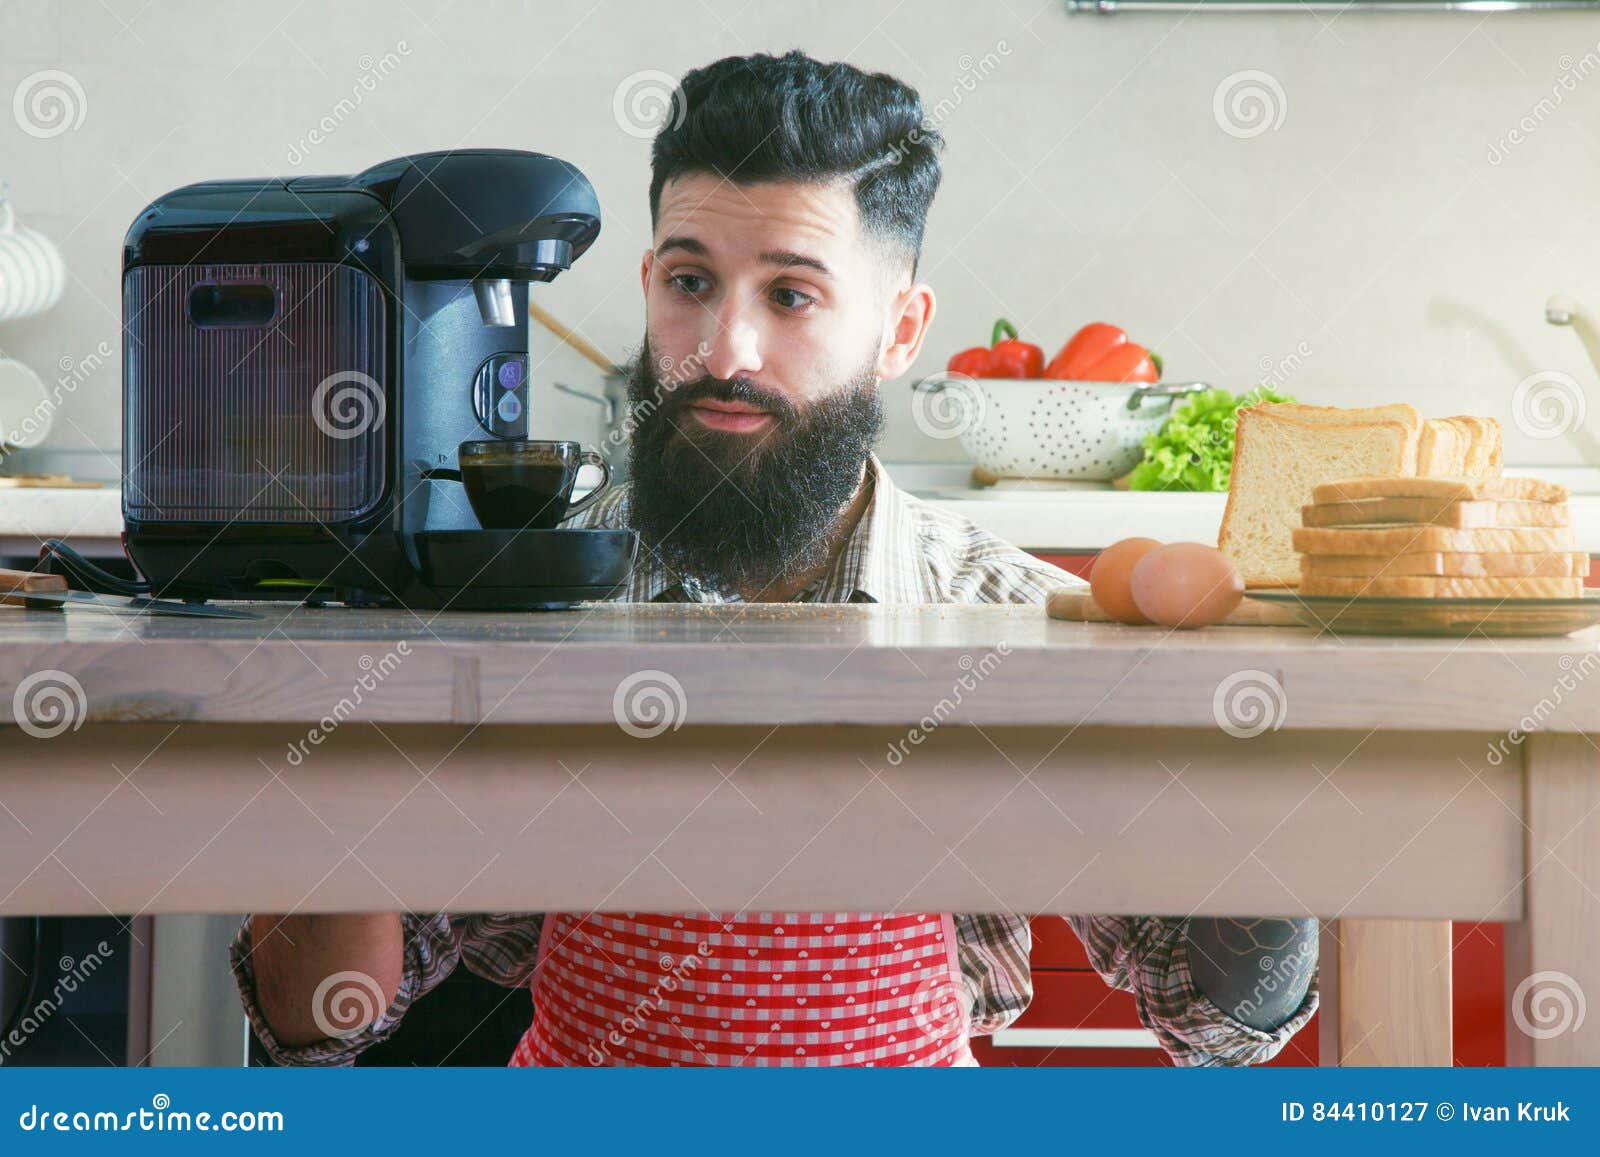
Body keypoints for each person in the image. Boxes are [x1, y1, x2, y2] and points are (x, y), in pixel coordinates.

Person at [232, 49, 1317, 1068]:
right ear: (650, 278)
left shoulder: (1012, 620)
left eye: (790, 295)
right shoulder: (523, 590)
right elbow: (316, 1018)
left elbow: (1222, 1021)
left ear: (899, 330)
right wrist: (350, 722)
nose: (724, 351)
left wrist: (1252, 768)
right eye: (692, 284)